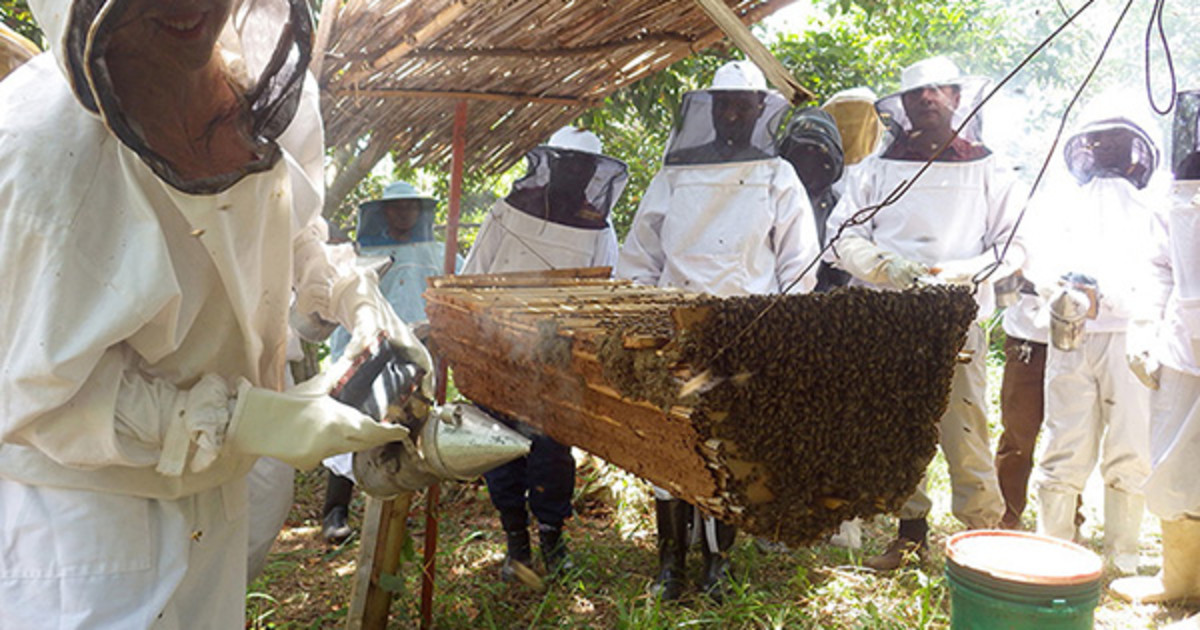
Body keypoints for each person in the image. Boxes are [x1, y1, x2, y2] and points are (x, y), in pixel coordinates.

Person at [0, 1, 433, 627]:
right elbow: (32, 390)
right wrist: (242, 420)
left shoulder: (260, 85)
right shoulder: (32, 153)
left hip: (215, 502)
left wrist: (352, 297)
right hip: (87, 531)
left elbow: (294, 224)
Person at [618, 60, 820, 600]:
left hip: (746, 329)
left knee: (730, 449)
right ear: (709, 111)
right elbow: (639, 256)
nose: (732, 113)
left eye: (742, 104)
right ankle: (669, 567)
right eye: (723, 104)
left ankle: (718, 565)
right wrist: (646, 315)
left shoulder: (778, 176)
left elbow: (799, 265)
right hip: (675, 327)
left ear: (759, 111)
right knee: (670, 445)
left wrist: (778, 328)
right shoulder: (673, 175)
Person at [825, 56, 1022, 571]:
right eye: (917, 93)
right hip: (889, 318)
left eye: (938, 90)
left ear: (957, 97)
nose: (928, 98)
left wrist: (965, 271)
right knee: (901, 429)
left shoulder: (989, 167)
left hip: (957, 317)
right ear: (904, 105)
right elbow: (842, 234)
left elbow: (1015, 243)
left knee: (966, 429)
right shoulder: (876, 168)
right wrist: (883, 264)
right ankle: (910, 537)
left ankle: (985, 543)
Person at [464, 126, 628, 579]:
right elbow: (473, 276)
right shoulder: (504, 213)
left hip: (558, 355)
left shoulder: (600, 225)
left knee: (552, 452)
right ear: (551, 163)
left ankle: (554, 543)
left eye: (583, 165)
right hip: (498, 348)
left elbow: (604, 291)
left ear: (594, 172)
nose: (574, 172)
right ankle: (516, 546)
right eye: (568, 162)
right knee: (501, 448)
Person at [1022, 97, 1163, 575]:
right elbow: (1037, 261)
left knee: (1130, 444)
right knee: (1065, 439)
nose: (1105, 150)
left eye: (1115, 142)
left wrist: (1112, 299)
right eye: (1098, 140)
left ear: (1134, 152)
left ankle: (1123, 551)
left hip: (1131, 337)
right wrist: (1063, 290)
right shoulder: (1061, 205)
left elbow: (1160, 274)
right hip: (1072, 336)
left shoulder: (1151, 208)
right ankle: (1052, 546)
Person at [319, 182, 458, 544]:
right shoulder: (360, 252)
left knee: (408, 428)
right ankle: (336, 511)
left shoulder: (437, 253)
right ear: (383, 212)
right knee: (351, 426)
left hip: (418, 353)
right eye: (397, 208)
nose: (404, 214)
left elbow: (459, 289)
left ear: (420, 211)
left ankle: (398, 512)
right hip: (367, 348)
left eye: (411, 207)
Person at [1110, 89, 1200, 620]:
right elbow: (1160, 264)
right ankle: (1182, 580)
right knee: (1173, 465)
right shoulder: (1182, 190)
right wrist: (1144, 326)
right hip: (1181, 345)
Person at [778, 107, 851, 292]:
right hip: (769, 300)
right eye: (804, 153)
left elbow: (841, 272)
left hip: (820, 306)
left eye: (816, 154)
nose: (810, 161)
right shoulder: (774, 194)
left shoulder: (838, 205)